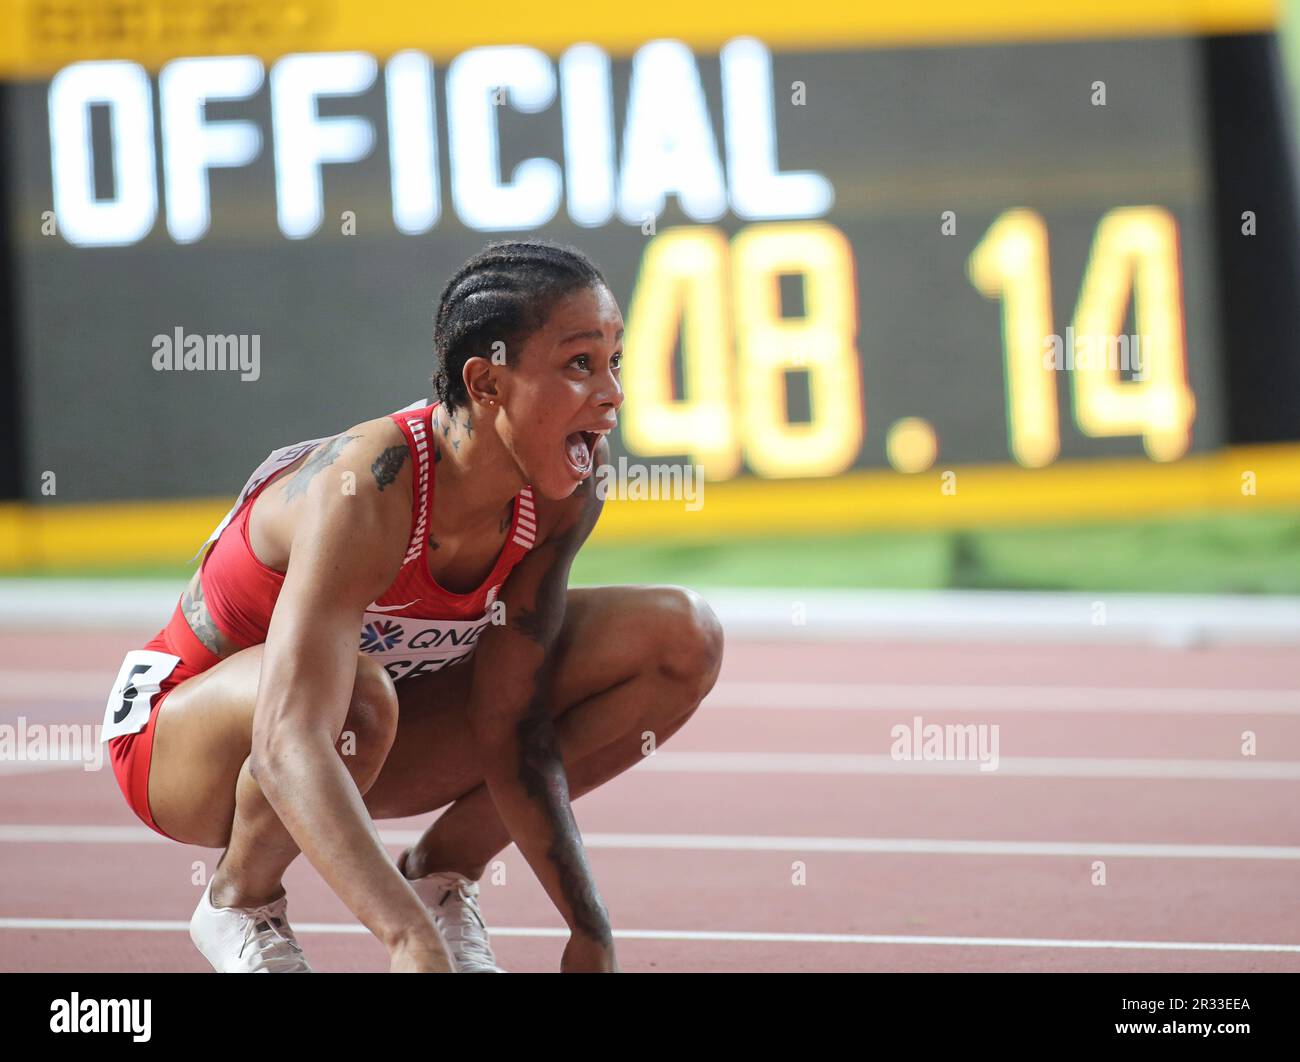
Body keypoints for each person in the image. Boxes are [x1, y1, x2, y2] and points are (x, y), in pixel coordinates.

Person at [100, 240, 724, 973]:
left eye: (615, 362)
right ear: (487, 383)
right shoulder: (367, 486)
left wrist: (588, 928)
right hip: (184, 748)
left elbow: (511, 719)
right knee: (356, 696)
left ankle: (440, 873)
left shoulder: (567, 489)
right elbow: (287, 738)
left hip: (363, 739)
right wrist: (407, 944)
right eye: (580, 364)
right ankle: (240, 899)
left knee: (682, 637)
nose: (613, 393)